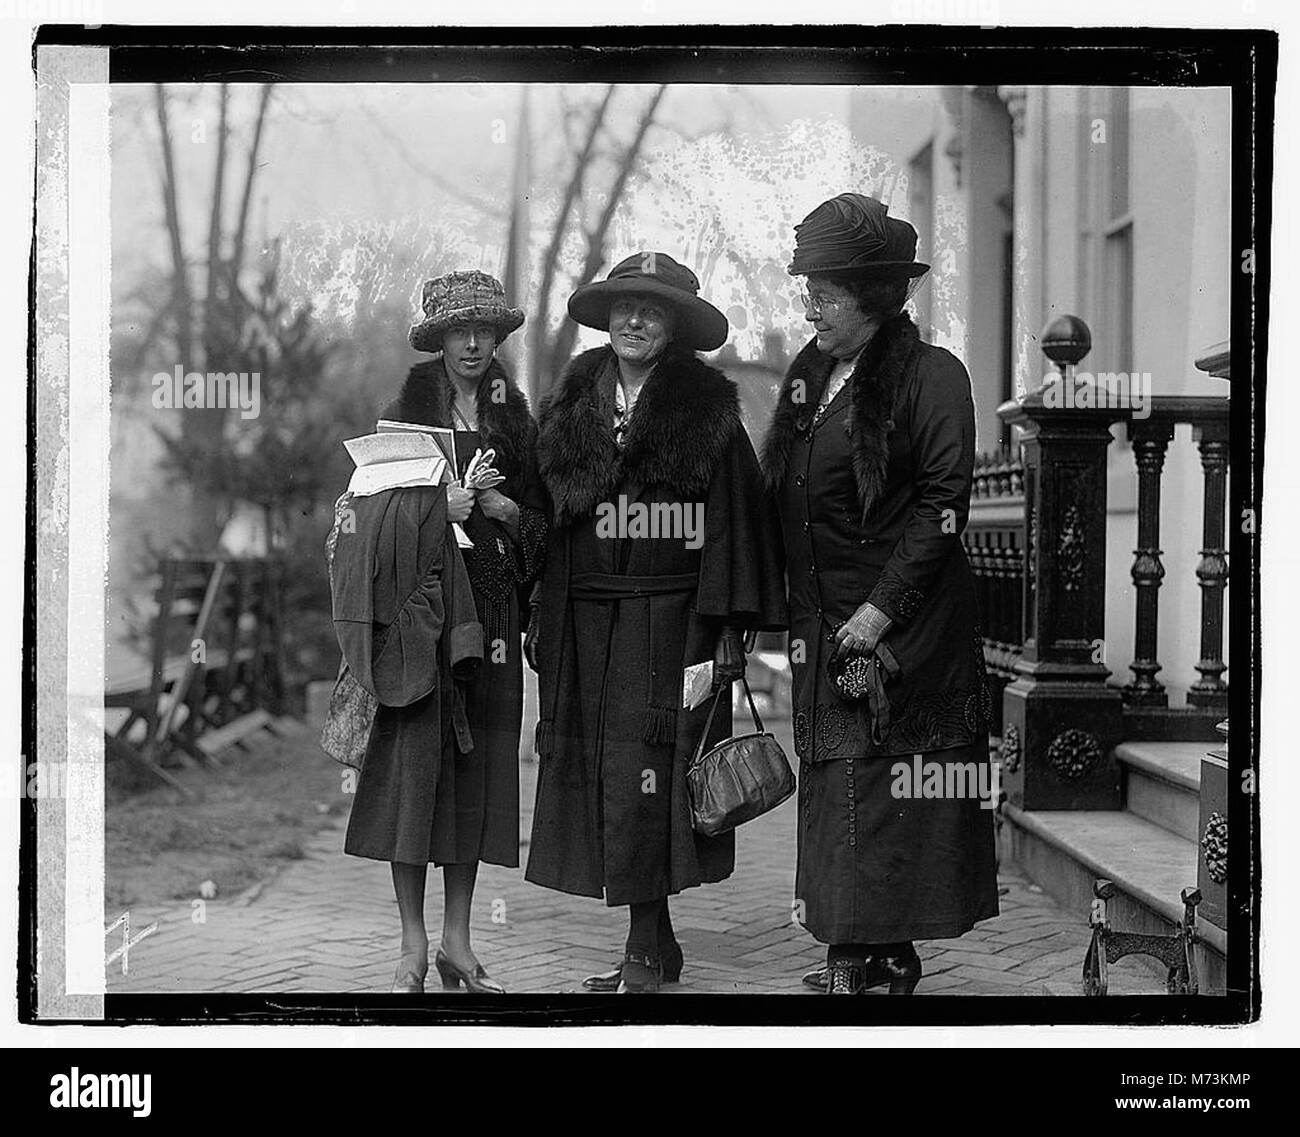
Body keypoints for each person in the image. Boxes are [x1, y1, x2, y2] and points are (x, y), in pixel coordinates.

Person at [526, 252, 786, 993]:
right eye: (623, 307)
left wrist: (729, 633)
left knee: (653, 779)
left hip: (673, 622)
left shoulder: (706, 413)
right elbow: (550, 524)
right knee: (608, 780)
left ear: (674, 328)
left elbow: (737, 527)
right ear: (606, 319)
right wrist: (541, 611)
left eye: (652, 309)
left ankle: (644, 950)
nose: (634, 320)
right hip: (585, 620)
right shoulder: (570, 406)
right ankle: (659, 941)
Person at [759, 194, 999, 995]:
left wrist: (880, 609)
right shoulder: (815, 381)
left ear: (875, 298)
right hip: (825, 616)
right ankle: (853, 950)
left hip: (903, 620)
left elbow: (944, 502)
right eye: (809, 292)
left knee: (889, 784)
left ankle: (884, 958)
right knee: (839, 781)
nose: (811, 307)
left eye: (826, 294)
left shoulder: (931, 376)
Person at [335, 270, 547, 994]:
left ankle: (459, 940)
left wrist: (503, 508)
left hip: (490, 617)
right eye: (460, 330)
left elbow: (545, 530)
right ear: (439, 339)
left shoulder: (515, 418)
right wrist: (441, 508)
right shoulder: (401, 416)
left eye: (485, 330)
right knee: (414, 771)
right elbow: (363, 523)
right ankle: (411, 945)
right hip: (421, 621)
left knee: (477, 774)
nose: (473, 343)